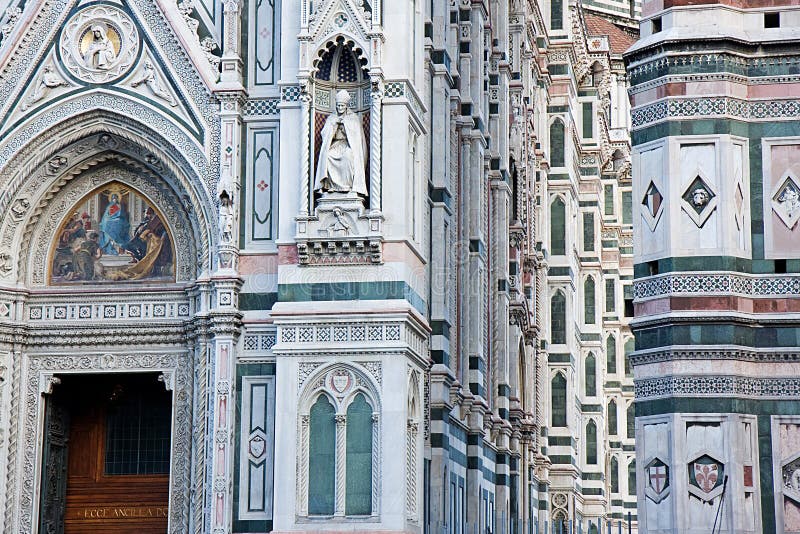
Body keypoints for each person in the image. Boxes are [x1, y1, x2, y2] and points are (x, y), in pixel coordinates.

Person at [313, 89, 368, 195]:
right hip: (335, 145)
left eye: (342, 106)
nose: (340, 108)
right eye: (338, 105)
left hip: (347, 145)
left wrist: (345, 125)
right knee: (328, 155)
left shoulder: (353, 118)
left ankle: (349, 186)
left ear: (346, 106)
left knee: (348, 156)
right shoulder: (332, 118)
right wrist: (334, 125)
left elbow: (356, 137)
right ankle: (331, 186)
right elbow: (324, 134)